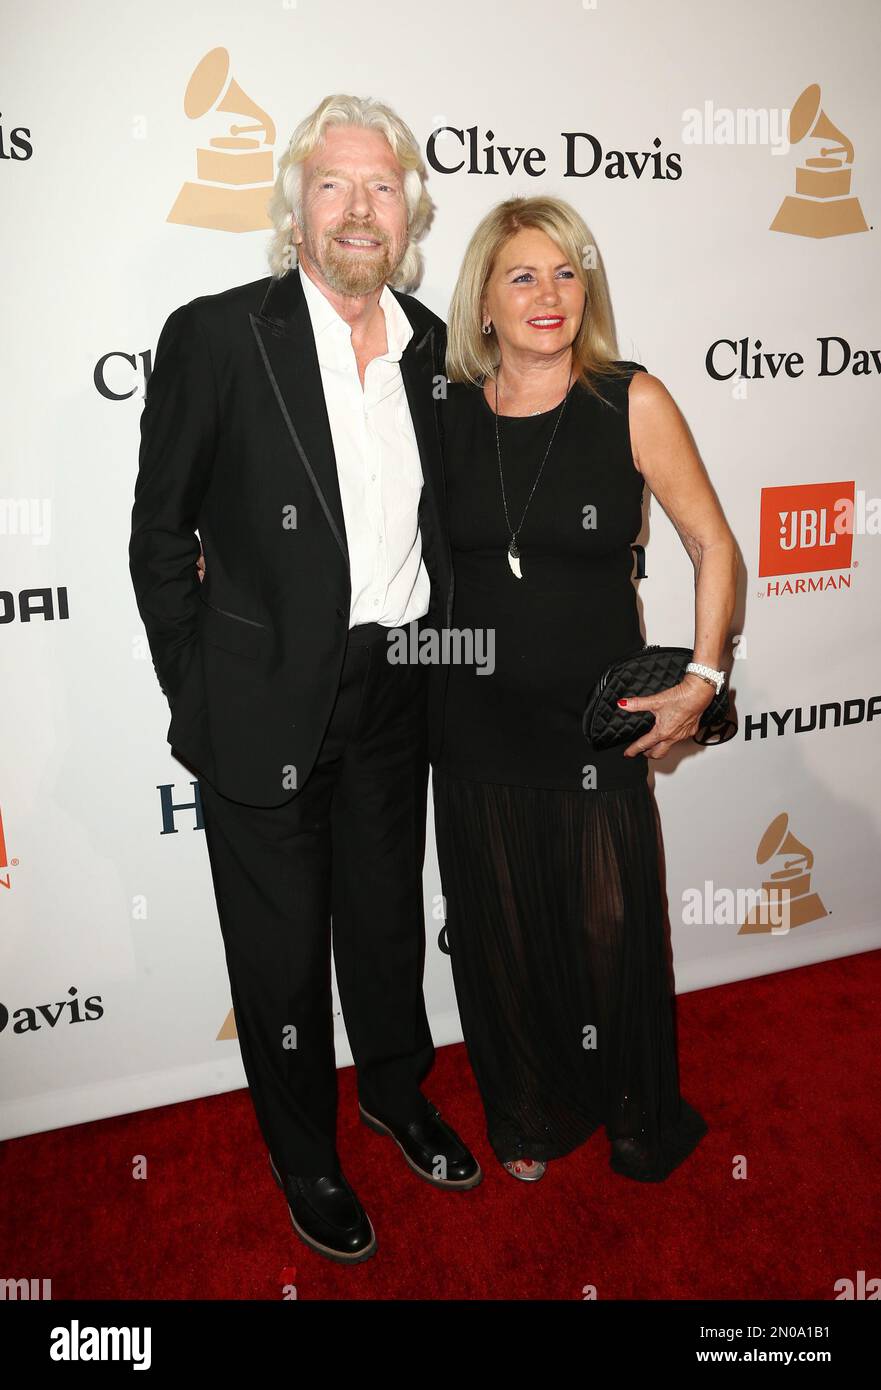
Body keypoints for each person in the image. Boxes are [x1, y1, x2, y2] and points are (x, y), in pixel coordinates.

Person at [129, 94, 479, 1266]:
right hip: (262, 697)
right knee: (277, 958)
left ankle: (392, 1089)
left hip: (396, 687)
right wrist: (200, 690)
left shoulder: (434, 345)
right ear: (294, 209)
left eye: (381, 186)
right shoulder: (218, 336)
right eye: (333, 184)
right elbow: (157, 537)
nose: (359, 208)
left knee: (383, 923)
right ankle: (306, 1156)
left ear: (410, 212)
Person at [431, 195, 738, 1182]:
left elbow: (711, 544)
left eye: (566, 272)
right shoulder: (442, 412)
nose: (548, 293)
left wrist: (702, 677)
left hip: (591, 728)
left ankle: (634, 1113)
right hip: (471, 725)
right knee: (502, 939)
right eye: (522, 274)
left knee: (610, 931)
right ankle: (526, 1115)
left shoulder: (626, 398)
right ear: (482, 300)